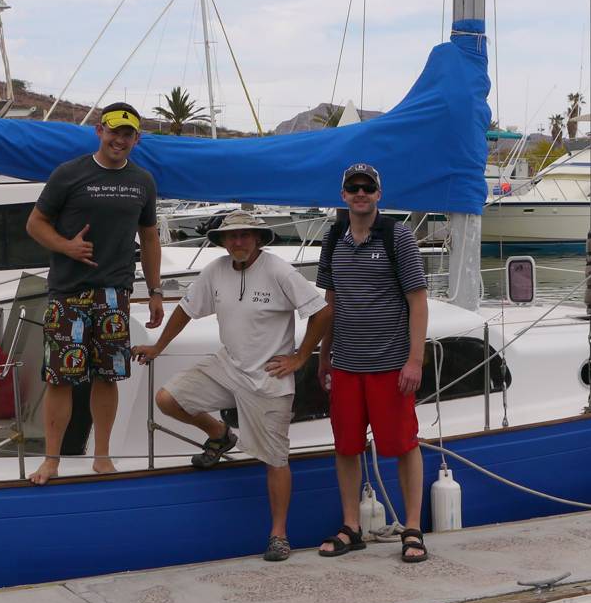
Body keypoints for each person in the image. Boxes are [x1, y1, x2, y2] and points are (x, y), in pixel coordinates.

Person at [134, 209, 330, 561]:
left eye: (244, 235)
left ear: (257, 239)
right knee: (167, 399)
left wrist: (301, 357)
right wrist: (157, 346)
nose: (237, 241)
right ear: (223, 242)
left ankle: (279, 535)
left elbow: (322, 312)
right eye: (231, 236)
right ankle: (221, 434)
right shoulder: (215, 270)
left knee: (275, 459)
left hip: (270, 378)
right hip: (229, 366)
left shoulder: (279, 270)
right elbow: (186, 309)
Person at [277, 162, 430, 563]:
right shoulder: (333, 240)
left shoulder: (398, 237)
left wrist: (415, 360)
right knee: (346, 447)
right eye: (353, 187)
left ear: (379, 194)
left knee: (403, 445)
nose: (360, 193)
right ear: (343, 195)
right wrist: (324, 357)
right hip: (345, 365)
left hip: (390, 365)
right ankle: (352, 527)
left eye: (367, 187)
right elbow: (330, 302)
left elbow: (418, 301)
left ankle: (412, 528)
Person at [24, 102, 164, 484]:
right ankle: (51, 459)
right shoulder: (69, 174)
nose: (120, 140)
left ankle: (102, 456)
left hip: (115, 294)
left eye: (128, 134)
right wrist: (66, 246)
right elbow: (35, 224)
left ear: (136, 138)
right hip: (68, 293)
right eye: (114, 131)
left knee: (108, 376)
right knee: (60, 379)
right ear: (99, 131)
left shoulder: (142, 181)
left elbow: (149, 237)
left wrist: (155, 290)